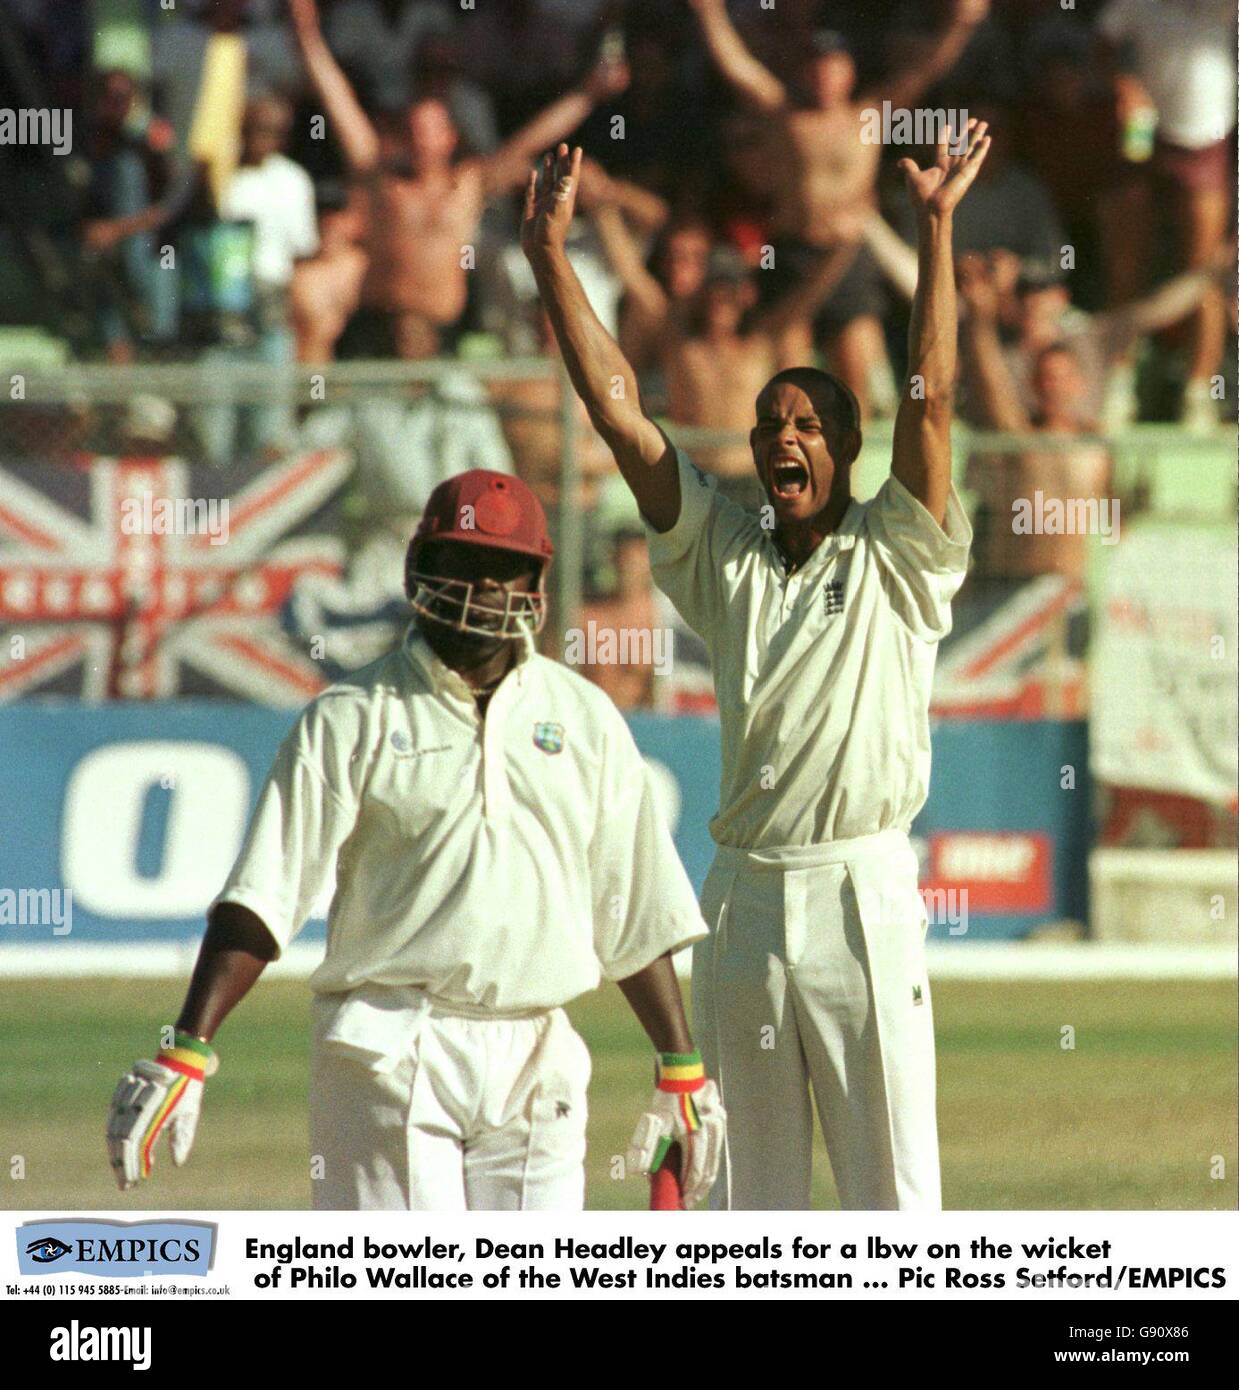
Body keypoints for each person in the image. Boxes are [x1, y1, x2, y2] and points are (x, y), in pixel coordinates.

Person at [523, 123, 988, 1210]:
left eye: (806, 424)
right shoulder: (722, 549)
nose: (783, 439)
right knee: (743, 1217)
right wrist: (549, 253)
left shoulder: (900, 549)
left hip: (862, 893)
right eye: (769, 423)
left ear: (847, 448)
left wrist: (934, 226)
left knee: (895, 1216)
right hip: (737, 904)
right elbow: (619, 410)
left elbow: (934, 392)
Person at [106, 469, 725, 1211]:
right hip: (388, 1043)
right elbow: (261, 900)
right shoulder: (350, 716)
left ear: (534, 583)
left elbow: (636, 909)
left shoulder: (584, 718)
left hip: (537, 1051)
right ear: (416, 569)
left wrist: (681, 1068)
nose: (480, 589)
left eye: (501, 570)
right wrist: (187, 1048)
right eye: (460, 564)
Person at [687, 0, 990, 417]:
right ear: (801, 73)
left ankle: (848, 470)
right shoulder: (784, 115)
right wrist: (709, 12)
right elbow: (738, 67)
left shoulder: (869, 116)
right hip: (793, 251)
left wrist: (961, 23)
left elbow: (924, 71)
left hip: (849, 255)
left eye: (832, 64)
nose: (823, 74)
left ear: (848, 71)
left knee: (854, 377)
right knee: (789, 371)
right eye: (814, 66)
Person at [288, 0, 628, 359]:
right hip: (378, 332)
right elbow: (339, 104)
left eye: (431, 130)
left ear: (450, 137)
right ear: (402, 135)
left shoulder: (468, 186)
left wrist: (587, 94)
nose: (421, 139)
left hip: (442, 336)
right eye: (414, 130)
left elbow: (530, 140)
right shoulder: (380, 180)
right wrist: (309, 38)